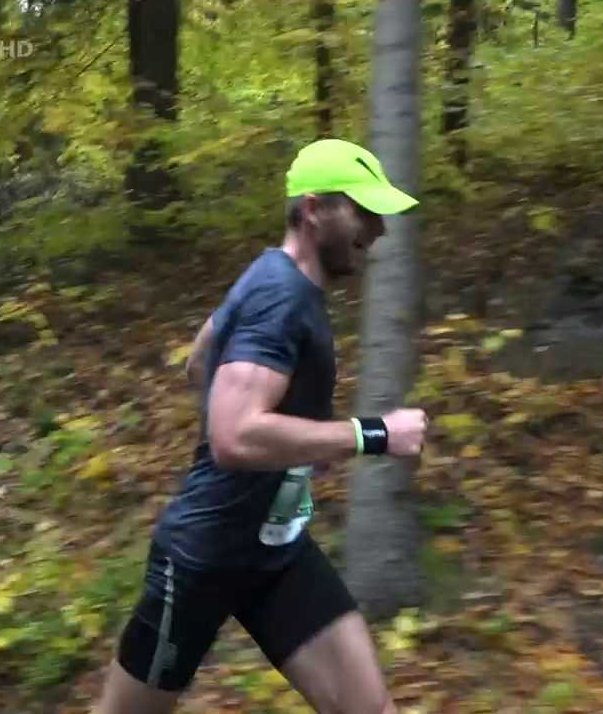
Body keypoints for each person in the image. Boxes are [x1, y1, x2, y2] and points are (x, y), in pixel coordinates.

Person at [93, 138, 428, 714]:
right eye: (364, 212)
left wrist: (292, 444)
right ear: (312, 209)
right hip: (207, 554)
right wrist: (371, 434)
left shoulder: (269, 277)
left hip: (276, 551)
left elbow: (201, 358)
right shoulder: (280, 297)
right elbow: (233, 436)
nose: (377, 231)